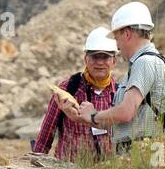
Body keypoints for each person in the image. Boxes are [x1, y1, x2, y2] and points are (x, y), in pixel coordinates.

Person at [74, 1, 165, 151]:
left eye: (117, 38)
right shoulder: (146, 62)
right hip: (143, 150)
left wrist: (93, 115)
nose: (117, 46)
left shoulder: (144, 63)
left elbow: (126, 112)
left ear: (127, 34)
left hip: (143, 152)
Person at [32, 27, 118, 159]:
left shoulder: (119, 93)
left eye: (105, 57)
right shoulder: (69, 88)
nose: (100, 62)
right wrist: (36, 159)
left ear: (114, 61)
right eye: (95, 56)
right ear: (86, 59)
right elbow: (47, 131)